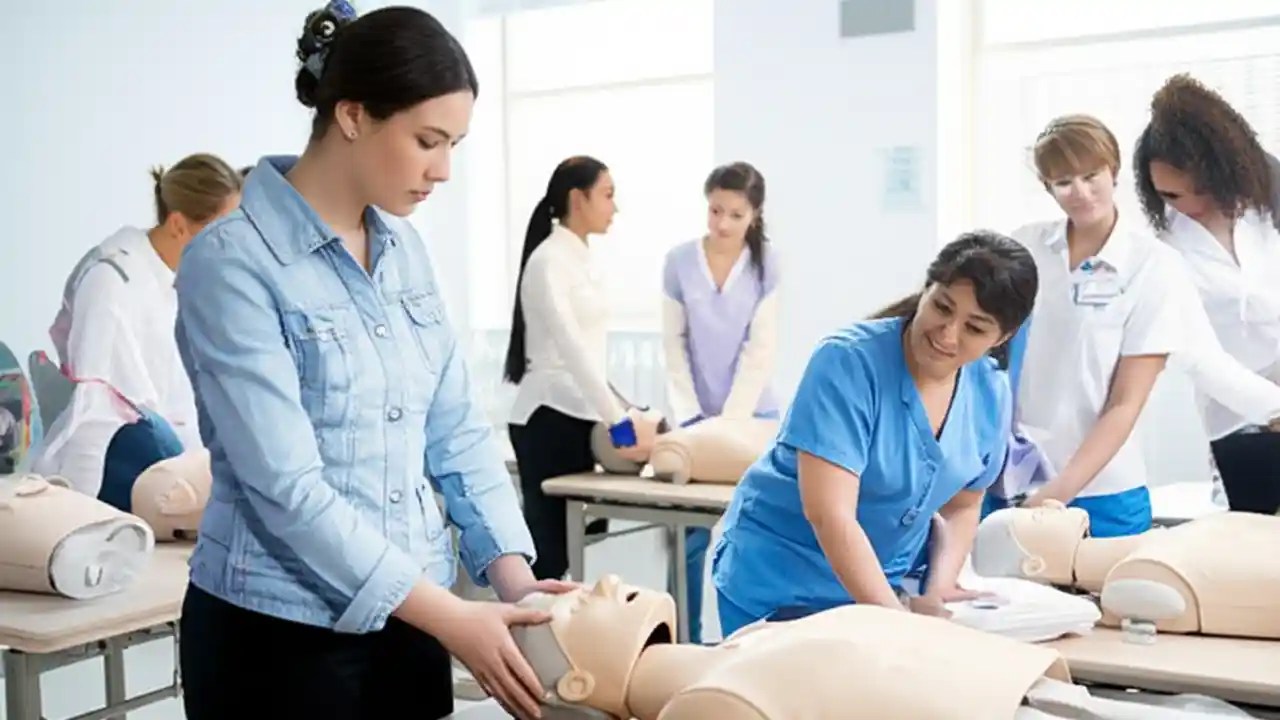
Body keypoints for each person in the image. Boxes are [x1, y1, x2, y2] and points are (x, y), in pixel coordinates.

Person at [172, 5, 568, 719]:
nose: (443, 170)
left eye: (455, 144)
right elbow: (287, 488)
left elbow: (454, 429)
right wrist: (451, 617)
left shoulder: (403, 251)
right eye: (427, 140)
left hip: (409, 621)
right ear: (352, 115)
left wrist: (516, 580)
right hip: (276, 635)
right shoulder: (230, 264)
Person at [710, 230, 1037, 637]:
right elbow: (830, 515)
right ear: (926, 290)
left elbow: (963, 505)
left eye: (974, 328)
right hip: (781, 580)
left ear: (1001, 338)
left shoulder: (990, 390)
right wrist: (897, 626)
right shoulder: (847, 363)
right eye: (942, 306)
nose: (948, 333)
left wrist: (938, 587)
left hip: (878, 590)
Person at [31, 153, 241, 497]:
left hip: (163, 434)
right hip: (119, 443)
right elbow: (98, 406)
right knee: (179, 463)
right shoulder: (112, 277)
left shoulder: (185, 279)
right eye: (224, 233)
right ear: (178, 225)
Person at [505, 155, 661, 582]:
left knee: (578, 548)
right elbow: (571, 350)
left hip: (578, 418)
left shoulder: (579, 260)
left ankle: (563, 645)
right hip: (546, 420)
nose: (616, 207)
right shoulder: (549, 261)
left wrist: (621, 412)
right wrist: (619, 424)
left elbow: (590, 355)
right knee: (551, 560)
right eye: (608, 195)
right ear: (579, 198)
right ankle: (530, 647)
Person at [1134, 74, 1280, 515]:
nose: (1189, 204)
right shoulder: (1159, 243)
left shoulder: (1267, 200)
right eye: (1171, 194)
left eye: (1200, 188)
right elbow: (1192, 351)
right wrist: (1273, 408)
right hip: (1239, 417)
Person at [661, 161, 779, 643]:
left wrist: (727, 426)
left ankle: (750, 643)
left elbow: (760, 349)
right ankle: (682, 642)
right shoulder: (679, 261)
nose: (723, 224)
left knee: (752, 535)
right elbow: (674, 344)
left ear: (754, 214)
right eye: (715, 211)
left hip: (754, 419)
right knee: (685, 539)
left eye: (735, 214)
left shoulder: (768, 262)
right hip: (692, 418)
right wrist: (693, 420)